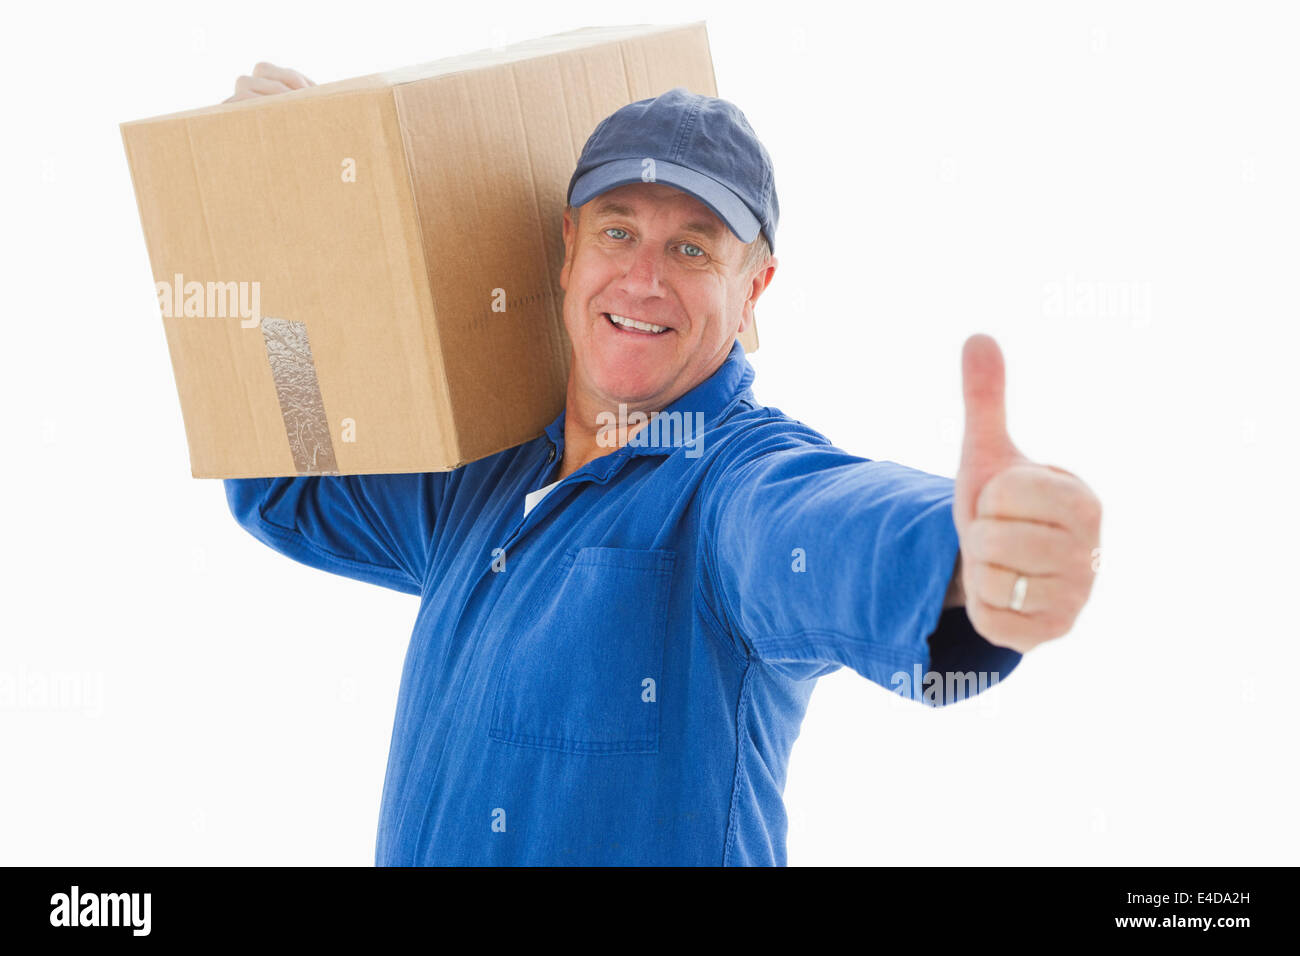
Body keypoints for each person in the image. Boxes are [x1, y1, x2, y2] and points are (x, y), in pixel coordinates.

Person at [222, 64, 1103, 865]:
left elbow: (822, 523)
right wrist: (275, 219)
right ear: (568, 247)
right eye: (618, 231)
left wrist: (961, 555)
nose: (644, 280)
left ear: (753, 286)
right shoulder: (480, 494)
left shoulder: (729, 486)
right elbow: (286, 482)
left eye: (692, 247)